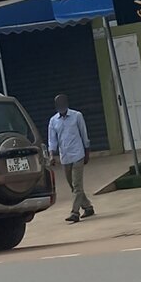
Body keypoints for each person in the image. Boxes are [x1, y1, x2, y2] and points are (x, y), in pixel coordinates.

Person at [48, 94, 95, 223]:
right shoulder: (53, 121)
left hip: (78, 154)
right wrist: (52, 155)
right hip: (65, 157)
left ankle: (75, 212)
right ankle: (88, 207)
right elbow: (52, 140)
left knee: (77, 185)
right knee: (73, 186)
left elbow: (84, 134)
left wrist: (87, 152)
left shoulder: (77, 116)